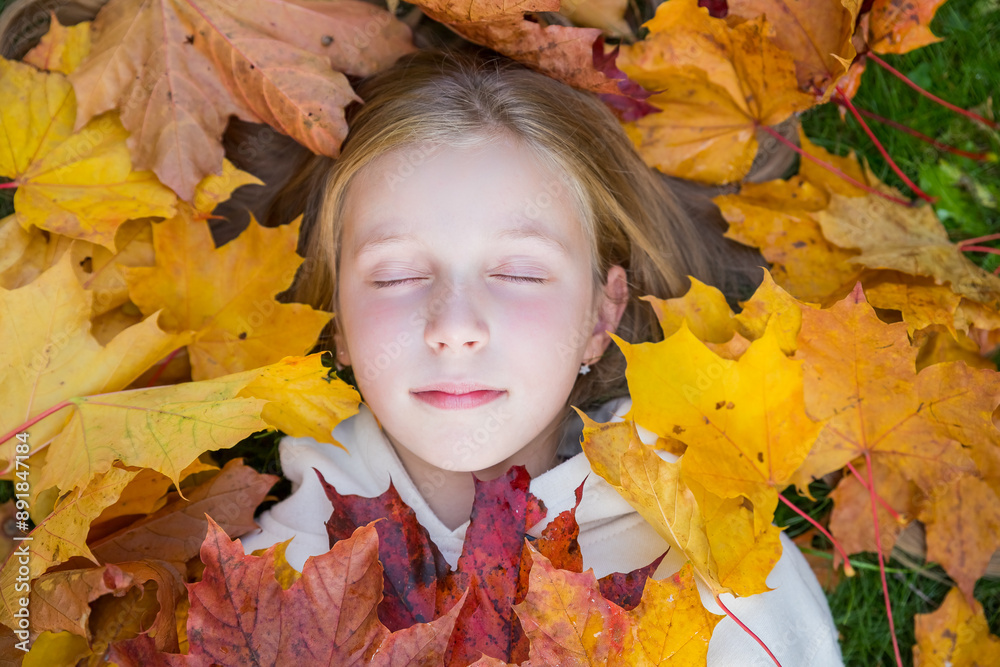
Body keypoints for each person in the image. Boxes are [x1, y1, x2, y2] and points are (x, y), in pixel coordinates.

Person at [238, 46, 845, 665]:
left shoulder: (721, 580)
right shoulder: (255, 587)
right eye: (395, 275)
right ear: (335, 315)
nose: (455, 326)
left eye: (520, 273)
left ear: (600, 313)